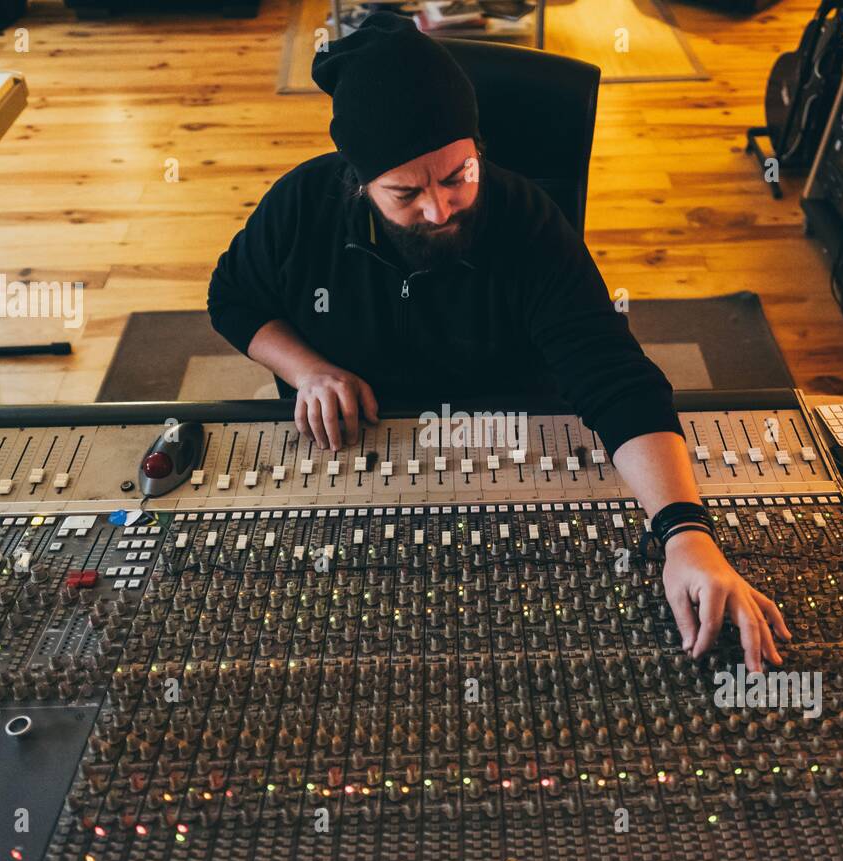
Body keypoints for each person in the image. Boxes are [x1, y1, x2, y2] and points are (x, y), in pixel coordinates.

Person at [207, 11, 790, 670]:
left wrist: (686, 532)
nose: (438, 210)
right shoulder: (300, 206)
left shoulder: (527, 219)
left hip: (505, 426)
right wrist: (308, 369)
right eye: (405, 193)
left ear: (477, 147)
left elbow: (613, 374)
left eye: (457, 176)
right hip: (355, 437)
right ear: (357, 181)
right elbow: (232, 299)